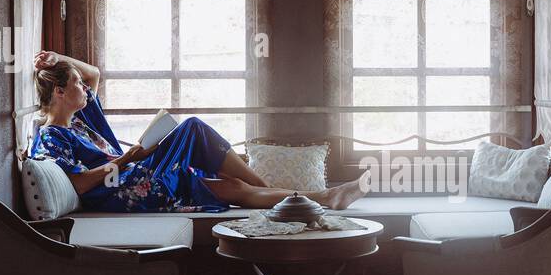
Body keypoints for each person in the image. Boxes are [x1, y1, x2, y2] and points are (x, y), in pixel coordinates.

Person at [29, 52, 363, 212]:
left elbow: (95, 74)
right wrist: (130, 155)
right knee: (192, 129)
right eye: (74, 84)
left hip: (140, 175)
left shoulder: (80, 119)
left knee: (233, 187)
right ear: (59, 92)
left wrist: (59, 58)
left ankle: (321, 199)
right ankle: (294, 196)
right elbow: (78, 183)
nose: (84, 89)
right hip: (128, 191)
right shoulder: (51, 137)